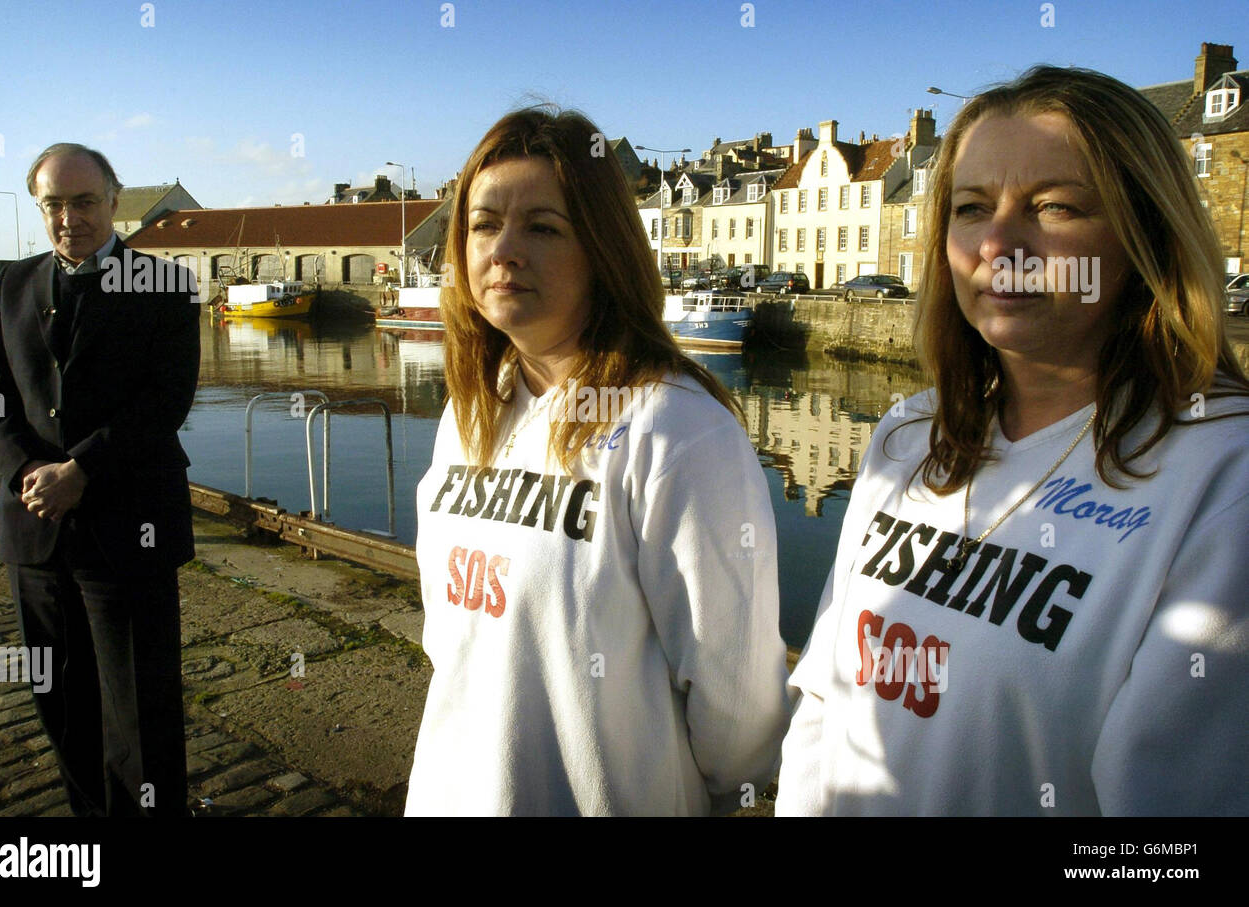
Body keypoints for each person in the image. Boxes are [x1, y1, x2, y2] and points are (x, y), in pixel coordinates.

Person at [776, 65, 1249, 816]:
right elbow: (826, 698)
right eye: (971, 208)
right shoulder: (907, 436)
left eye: (1055, 207)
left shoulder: (1221, 476)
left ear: (1146, 237)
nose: (999, 242)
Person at [404, 107, 791, 816]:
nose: (504, 250)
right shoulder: (472, 413)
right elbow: (451, 636)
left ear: (604, 250)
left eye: (543, 227)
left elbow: (737, 711)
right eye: (484, 223)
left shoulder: (677, 431)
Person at [0, 143, 200, 816]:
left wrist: (83, 469)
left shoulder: (164, 285)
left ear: (114, 200)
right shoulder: (10, 286)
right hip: (36, 533)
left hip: (130, 535)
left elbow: (165, 400)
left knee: (140, 716)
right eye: (54, 204)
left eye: (84, 202)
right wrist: (27, 470)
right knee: (62, 707)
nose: (70, 218)